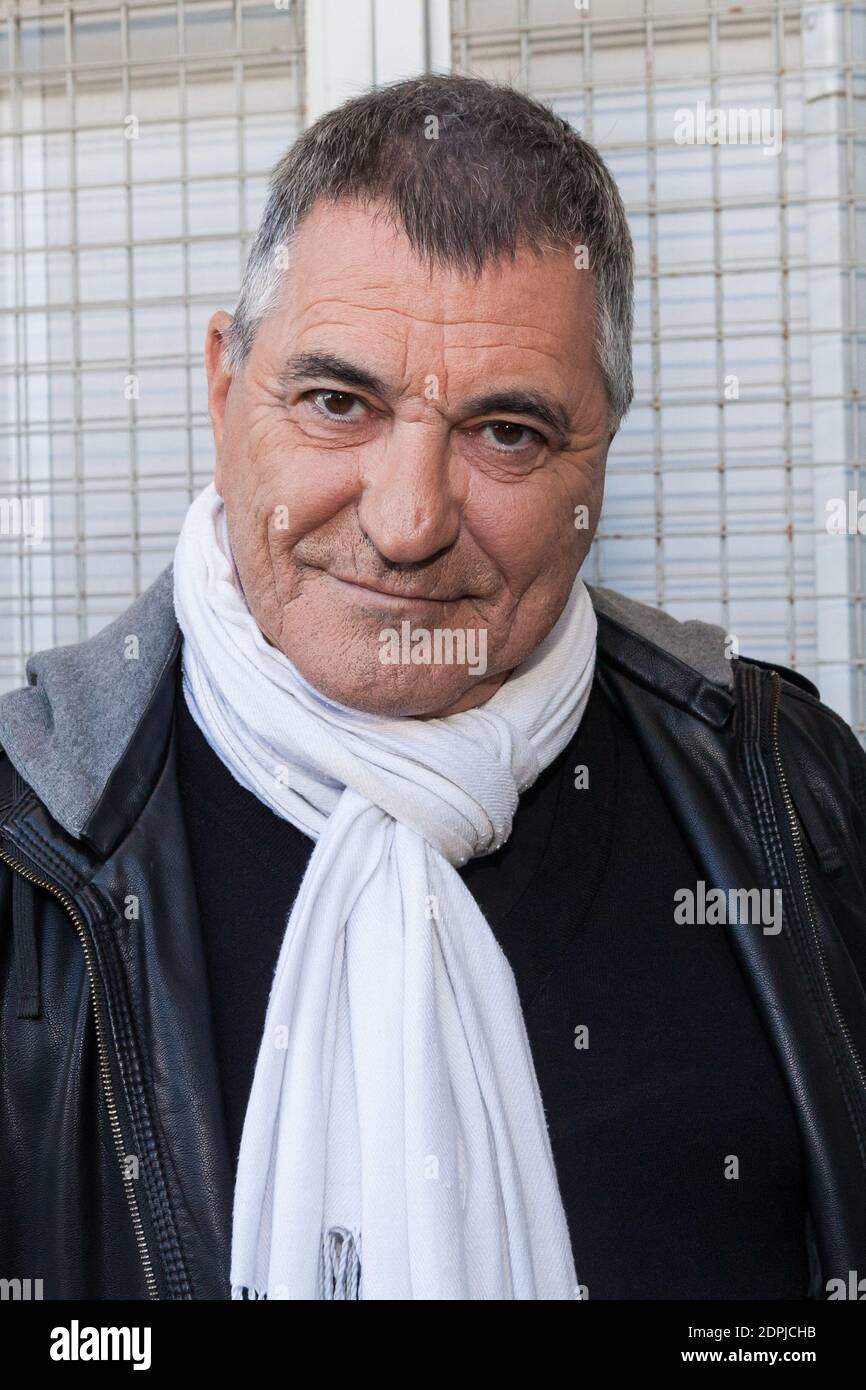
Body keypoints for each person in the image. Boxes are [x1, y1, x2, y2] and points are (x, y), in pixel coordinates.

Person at [1, 74, 865, 1302]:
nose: (407, 524)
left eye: (505, 432)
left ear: (599, 449)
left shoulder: (795, 800)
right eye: (338, 402)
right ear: (220, 386)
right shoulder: (25, 842)